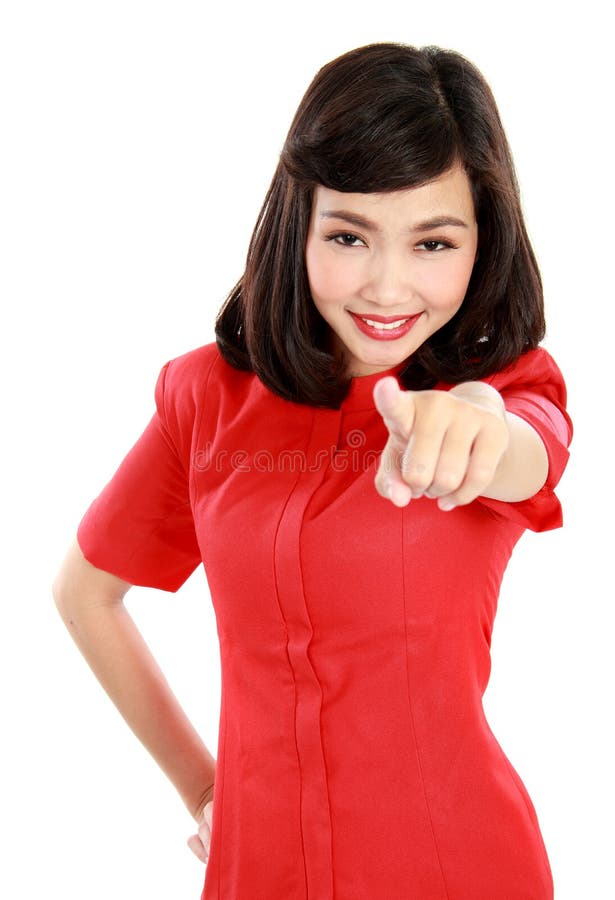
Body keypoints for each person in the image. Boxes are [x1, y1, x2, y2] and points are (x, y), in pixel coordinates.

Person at [52, 41, 573, 900]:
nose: (386, 285)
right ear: (299, 223)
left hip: (458, 867)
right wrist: (206, 789)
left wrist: (472, 423)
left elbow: (523, 447)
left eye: (433, 243)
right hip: (256, 870)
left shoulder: (511, 389)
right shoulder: (203, 395)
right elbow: (86, 592)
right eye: (348, 235)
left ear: (484, 241)